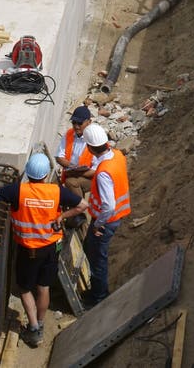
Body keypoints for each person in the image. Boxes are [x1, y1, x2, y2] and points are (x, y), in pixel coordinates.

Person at [0, 152, 88, 348]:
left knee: (25, 288)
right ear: (46, 175)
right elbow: (83, 205)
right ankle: (41, 324)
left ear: (28, 173)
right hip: (51, 248)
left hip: (28, 250)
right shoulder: (56, 191)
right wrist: (62, 216)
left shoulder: (18, 191)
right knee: (43, 287)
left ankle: (34, 328)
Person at [81, 124, 131, 307]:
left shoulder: (103, 173)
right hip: (115, 216)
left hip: (106, 221)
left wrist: (97, 225)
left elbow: (108, 206)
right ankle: (97, 291)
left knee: (97, 258)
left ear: (90, 148)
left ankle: (99, 297)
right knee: (90, 249)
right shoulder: (117, 155)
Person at [55, 104, 95, 196]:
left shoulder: (94, 138)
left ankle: (79, 204)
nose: (76, 126)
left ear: (89, 122)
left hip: (91, 177)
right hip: (73, 173)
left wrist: (77, 172)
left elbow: (95, 171)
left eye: (80, 123)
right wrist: (72, 167)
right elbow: (59, 157)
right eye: (74, 122)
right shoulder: (69, 134)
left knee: (71, 182)